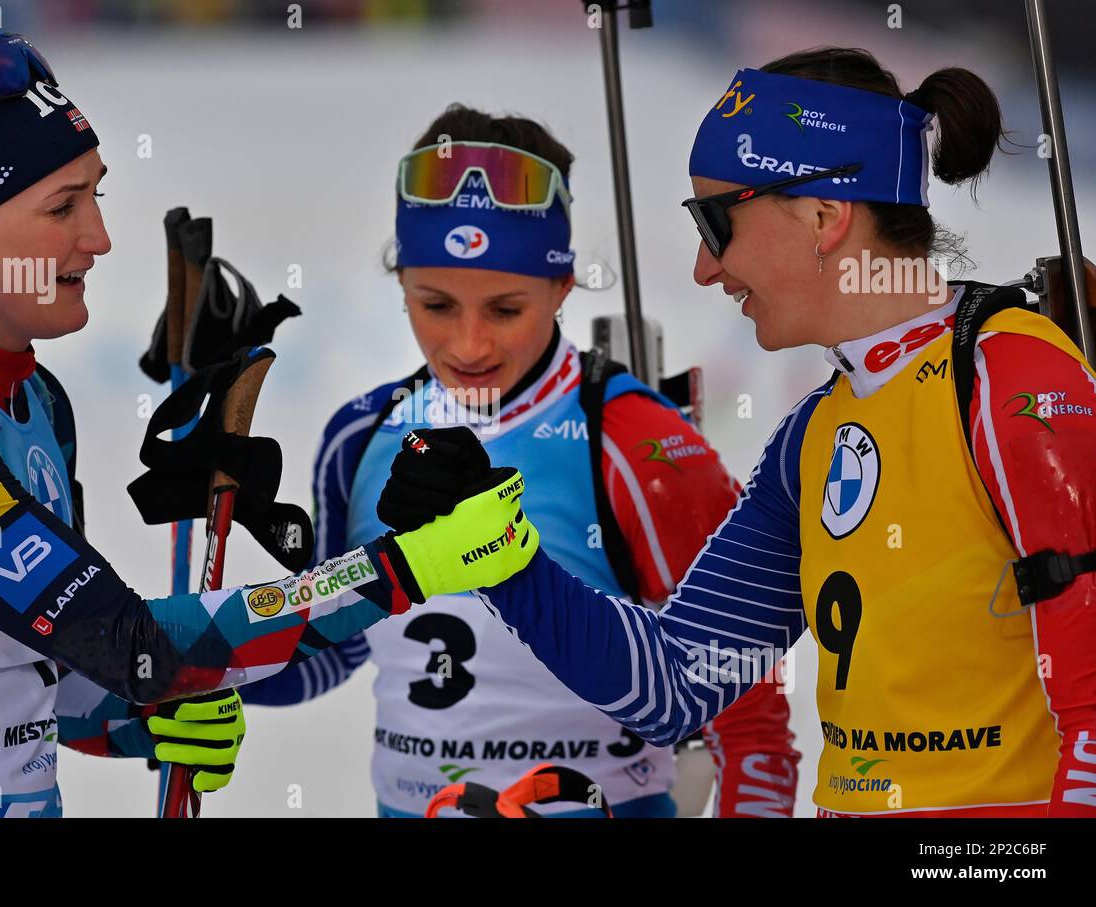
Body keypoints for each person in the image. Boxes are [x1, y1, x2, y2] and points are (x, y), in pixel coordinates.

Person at [0, 34, 532, 817]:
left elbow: (42, 666)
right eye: (61, 207)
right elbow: (127, 640)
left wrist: (134, 720)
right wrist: (396, 571)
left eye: (95, 196)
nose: (98, 237)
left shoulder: (33, 402)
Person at [381, 49, 1096, 817]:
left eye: (715, 221)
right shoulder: (814, 433)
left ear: (825, 214)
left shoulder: (1008, 376)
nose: (703, 268)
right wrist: (502, 548)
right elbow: (675, 682)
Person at [243, 105, 800, 818]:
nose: (468, 344)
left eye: (506, 309)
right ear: (401, 281)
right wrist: (180, 665)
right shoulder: (362, 436)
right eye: (435, 304)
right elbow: (328, 652)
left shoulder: (635, 440)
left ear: (563, 287)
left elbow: (750, 721)